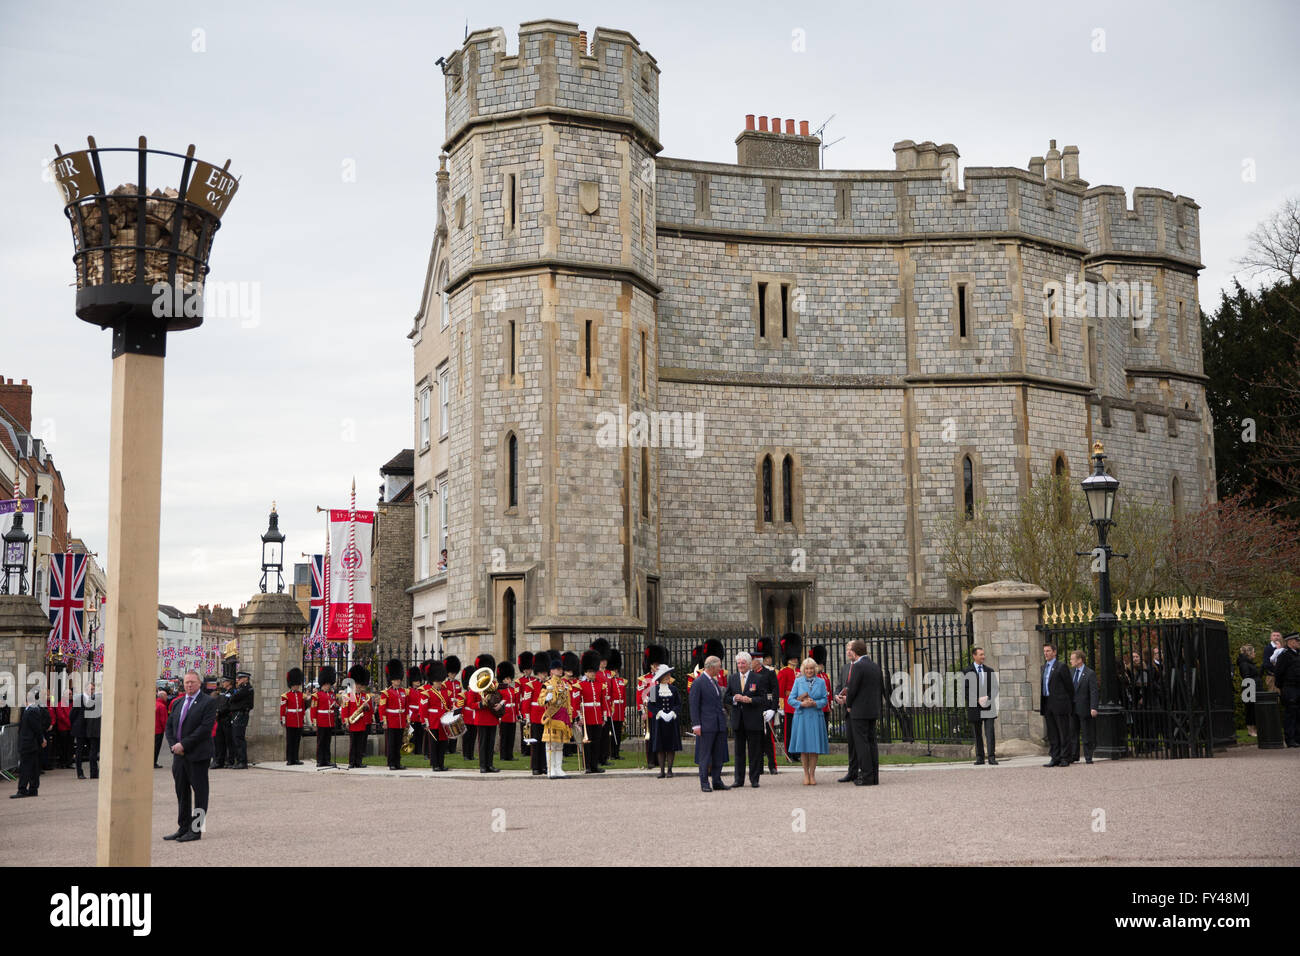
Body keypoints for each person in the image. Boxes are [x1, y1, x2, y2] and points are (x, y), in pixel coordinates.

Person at [163, 670, 218, 843]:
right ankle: (183, 827)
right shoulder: (178, 703)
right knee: (182, 792)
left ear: (199, 683)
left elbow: (204, 729)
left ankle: (196, 829)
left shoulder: (208, 702)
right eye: (186, 682)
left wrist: (184, 744)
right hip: (179, 756)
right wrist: (174, 745)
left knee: (200, 794)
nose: (189, 685)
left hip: (197, 755)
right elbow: (170, 726)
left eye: (192, 682)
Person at [844, 639, 882, 786]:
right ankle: (874, 776)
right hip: (872, 709)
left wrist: (848, 704)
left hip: (859, 711)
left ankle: (866, 776)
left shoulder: (858, 666)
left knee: (862, 745)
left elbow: (852, 689)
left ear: (855, 651)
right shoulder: (874, 666)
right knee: (872, 743)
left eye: (850, 650)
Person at [724, 652, 765, 788]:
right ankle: (738, 779)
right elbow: (726, 697)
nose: (740, 666)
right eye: (739, 663)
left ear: (748, 664)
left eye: (743, 663)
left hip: (753, 720)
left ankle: (754, 779)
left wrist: (751, 700)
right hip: (738, 720)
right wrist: (734, 699)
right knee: (739, 752)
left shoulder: (758, 678)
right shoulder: (733, 678)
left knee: (754, 752)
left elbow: (763, 698)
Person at [690, 655, 729, 792]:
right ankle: (704, 782)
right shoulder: (698, 682)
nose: (720, 669)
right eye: (719, 666)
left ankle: (717, 781)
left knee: (718, 755)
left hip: (718, 723)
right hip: (706, 725)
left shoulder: (714, 682)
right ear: (712, 667)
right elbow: (694, 705)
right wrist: (696, 725)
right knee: (705, 755)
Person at [787, 657, 829, 785]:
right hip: (802, 717)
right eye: (807, 668)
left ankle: (812, 774)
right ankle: (805, 774)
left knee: (814, 748)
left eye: (811, 668)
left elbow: (825, 700)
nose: (809, 671)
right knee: (804, 748)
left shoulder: (821, 682)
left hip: (816, 716)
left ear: (815, 669)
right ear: (803, 669)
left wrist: (815, 703)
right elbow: (791, 699)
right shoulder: (798, 681)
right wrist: (802, 704)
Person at [465, 653, 502, 773]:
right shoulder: (474, 687)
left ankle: (490, 765)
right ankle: (482, 766)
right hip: (481, 717)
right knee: (482, 743)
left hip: (492, 717)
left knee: (491, 743)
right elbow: (470, 704)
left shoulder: (494, 685)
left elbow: (500, 697)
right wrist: (481, 704)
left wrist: (498, 703)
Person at [539, 653, 575, 778]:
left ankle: (558, 768)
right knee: (551, 744)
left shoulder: (565, 685)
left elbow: (568, 703)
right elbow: (540, 700)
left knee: (560, 744)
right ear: (552, 671)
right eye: (558, 669)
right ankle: (550, 769)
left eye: (561, 669)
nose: (560, 671)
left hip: (563, 718)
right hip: (552, 717)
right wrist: (547, 698)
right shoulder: (548, 684)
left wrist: (570, 717)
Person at [961, 646, 997, 765]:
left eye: (983, 654)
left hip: (988, 705)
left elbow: (995, 688)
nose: (983, 656)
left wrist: (987, 698)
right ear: (974, 656)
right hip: (974, 706)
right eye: (981, 654)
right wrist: (977, 699)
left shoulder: (989, 671)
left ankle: (991, 757)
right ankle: (980, 757)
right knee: (977, 733)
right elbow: (964, 690)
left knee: (990, 732)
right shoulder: (966, 671)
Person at [1040, 642, 1074, 767]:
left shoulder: (1061, 667)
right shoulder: (1043, 668)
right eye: (1044, 651)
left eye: (1048, 651)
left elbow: (1069, 687)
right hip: (1047, 702)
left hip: (1060, 704)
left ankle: (1065, 757)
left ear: (1054, 652)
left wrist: (1066, 702)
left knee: (1063, 731)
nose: (1046, 653)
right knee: (1052, 732)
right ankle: (1055, 757)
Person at [646, 663, 681, 777]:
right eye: (665, 675)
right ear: (660, 677)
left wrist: (673, 712)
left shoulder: (674, 689)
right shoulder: (653, 689)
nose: (668, 676)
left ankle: (670, 770)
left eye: (668, 674)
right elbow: (650, 705)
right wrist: (659, 713)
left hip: (672, 721)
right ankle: (661, 770)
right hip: (659, 721)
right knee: (660, 746)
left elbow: (679, 704)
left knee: (671, 746)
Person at [12, 689, 49, 798]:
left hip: (29, 743)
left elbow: (36, 728)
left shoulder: (31, 710)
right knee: (33, 767)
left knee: (25, 767)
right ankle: (33, 788)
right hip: (30, 743)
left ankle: (22, 789)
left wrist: (41, 739)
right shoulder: (31, 709)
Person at [577, 651, 607, 774]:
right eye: (590, 672)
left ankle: (594, 765)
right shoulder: (580, 685)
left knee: (596, 742)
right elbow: (576, 703)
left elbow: (603, 702)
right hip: (587, 717)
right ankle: (587, 765)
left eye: (594, 672)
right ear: (585, 673)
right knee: (587, 743)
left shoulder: (600, 685)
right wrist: (580, 717)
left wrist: (604, 717)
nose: (592, 674)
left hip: (597, 717)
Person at [753, 638, 780, 772]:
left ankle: (772, 765)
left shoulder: (769, 673)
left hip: (767, 708)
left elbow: (775, 692)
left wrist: (773, 709)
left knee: (769, 740)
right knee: (756, 740)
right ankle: (759, 766)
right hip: (755, 710)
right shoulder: (750, 674)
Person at [1068, 649, 1100, 764]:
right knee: (1073, 733)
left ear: (1080, 660)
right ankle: (1074, 755)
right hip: (1073, 708)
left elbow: (1094, 691)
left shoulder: (1089, 673)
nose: (1070, 661)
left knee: (1086, 733)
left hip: (1085, 708)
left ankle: (1088, 756)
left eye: (1072, 659)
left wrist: (1094, 707)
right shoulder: (1071, 672)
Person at [639, 644, 668, 769]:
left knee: (661, 736)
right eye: (654, 664)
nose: (656, 667)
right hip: (650, 712)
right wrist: (642, 712)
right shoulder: (644, 679)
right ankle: (650, 760)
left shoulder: (664, 678)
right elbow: (640, 696)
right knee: (649, 737)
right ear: (650, 665)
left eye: (658, 664)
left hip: (661, 711)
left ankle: (659, 759)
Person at [340, 665, 374, 768]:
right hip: (352, 722)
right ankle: (351, 762)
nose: (359, 687)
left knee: (360, 744)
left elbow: (370, 711)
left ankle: (358, 762)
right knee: (353, 744)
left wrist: (367, 707)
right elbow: (344, 710)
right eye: (357, 685)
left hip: (361, 723)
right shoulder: (348, 696)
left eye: (360, 685)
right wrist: (346, 722)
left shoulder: (365, 696)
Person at [379, 659, 408, 771]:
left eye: (399, 679)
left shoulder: (403, 692)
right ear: (391, 680)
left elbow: (405, 707)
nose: (398, 681)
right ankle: (391, 763)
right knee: (391, 744)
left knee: (398, 744)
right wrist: (384, 721)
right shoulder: (386, 693)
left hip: (400, 721)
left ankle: (397, 763)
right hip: (391, 721)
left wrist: (406, 719)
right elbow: (382, 708)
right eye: (396, 679)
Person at [777, 632, 802, 761]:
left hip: (799, 705)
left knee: (798, 732)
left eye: (796, 657)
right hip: (788, 705)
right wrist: (781, 706)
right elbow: (780, 690)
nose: (795, 659)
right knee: (788, 732)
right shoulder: (784, 671)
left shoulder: (799, 672)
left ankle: (797, 754)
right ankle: (788, 755)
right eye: (792, 657)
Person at [308, 665, 338, 768]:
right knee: (320, 742)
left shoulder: (332, 694)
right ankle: (320, 760)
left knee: (327, 742)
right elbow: (313, 710)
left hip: (329, 721)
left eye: (329, 684)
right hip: (321, 721)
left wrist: (336, 704)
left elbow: (335, 705)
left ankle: (327, 760)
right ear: (322, 684)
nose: (328, 686)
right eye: (326, 684)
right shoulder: (317, 696)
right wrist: (314, 723)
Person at [71, 681, 101, 779]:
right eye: (90, 689)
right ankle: (80, 772)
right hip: (80, 729)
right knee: (79, 751)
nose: (92, 691)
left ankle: (94, 772)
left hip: (89, 729)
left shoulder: (94, 699)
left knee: (92, 751)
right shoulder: (79, 699)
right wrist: (76, 724)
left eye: (93, 689)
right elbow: (72, 714)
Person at [1276, 632, 1300, 748]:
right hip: (1289, 687)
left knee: (1298, 714)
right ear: (1290, 642)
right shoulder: (1284, 656)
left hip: (1297, 687)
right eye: (1297, 641)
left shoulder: (1297, 654)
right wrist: (1282, 688)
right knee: (1290, 714)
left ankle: (1297, 737)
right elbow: (1279, 673)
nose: (1299, 643)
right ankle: (1290, 739)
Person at [228, 670, 254, 769]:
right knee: (236, 737)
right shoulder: (241, 688)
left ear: (246, 679)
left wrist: (233, 698)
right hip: (237, 714)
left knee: (239, 737)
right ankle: (238, 760)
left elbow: (233, 698)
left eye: (240, 678)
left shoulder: (247, 688)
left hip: (241, 714)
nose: (237, 680)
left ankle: (242, 761)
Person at [280, 668, 306, 765]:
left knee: (297, 741)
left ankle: (296, 758)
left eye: (297, 685)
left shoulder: (301, 695)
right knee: (290, 741)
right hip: (290, 720)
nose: (296, 687)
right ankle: (290, 759)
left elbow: (303, 708)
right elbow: (283, 709)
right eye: (295, 685)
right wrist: (283, 720)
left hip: (299, 720)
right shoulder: (285, 696)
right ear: (291, 685)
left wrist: (302, 718)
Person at [607, 649, 627, 761]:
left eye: (616, 669)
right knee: (611, 733)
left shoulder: (621, 681)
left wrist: (623, 711)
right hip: (613, 710)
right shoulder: (609, 680)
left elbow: (623, 697)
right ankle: (611, 752)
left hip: (619, 711)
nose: (615, 671)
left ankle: (617, 752)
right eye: (613, 669)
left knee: (618, 733)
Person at [497, 660, 517, 761]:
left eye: (509, 678)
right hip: (504, 716)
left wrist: (517, 714)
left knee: (511, 737)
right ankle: (503, 756)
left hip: (512, 716)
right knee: (504, 737)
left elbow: (516, 702)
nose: (509, 680)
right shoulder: (499, 690)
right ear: (503, 679)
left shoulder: (512, 690)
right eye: (507, 679)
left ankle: (510, 755)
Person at [1237, 645, 1259, 737]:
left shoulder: (1249, 663)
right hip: (1249, 688)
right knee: (1250, 710)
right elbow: (1246, 676)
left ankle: (1254, 729)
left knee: (1253, 709)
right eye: (1253, 651)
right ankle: (1251, 730)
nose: (1255, 653)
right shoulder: (1244, 664)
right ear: (1249, 653)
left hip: (1252, 687)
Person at [212, 676, 233, 769]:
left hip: (227, 718)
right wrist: (217, 711)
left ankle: (229, 761)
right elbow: (219, 703)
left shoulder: (232, 692)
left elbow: (228, 705)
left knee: (229, 741)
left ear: (229, 682)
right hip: (220, 719)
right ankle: (219, 761)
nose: (223, 683)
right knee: (219, 741)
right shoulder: (224, 692)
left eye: (225, 681)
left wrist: (219, 711)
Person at [52, 688, 73, 768]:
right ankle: (63, 762)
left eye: (71, 694)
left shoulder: (71, 704)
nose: (71, 696)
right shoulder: (60, 704)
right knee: (63, 746)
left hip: (70, 728)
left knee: (69, 746)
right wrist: (70, 724)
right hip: (63, 728)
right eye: (69, 694)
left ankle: (68, 762)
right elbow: (61, 717)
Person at [154, 690, 169, 768]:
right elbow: (164, 720)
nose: (167, 697)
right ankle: (154, 762)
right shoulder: (162, 706)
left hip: (152, 730)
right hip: (158, 730)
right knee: (156, 747)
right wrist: (167, 731)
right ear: (163, 697)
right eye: (166, 696)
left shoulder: (154, 704)